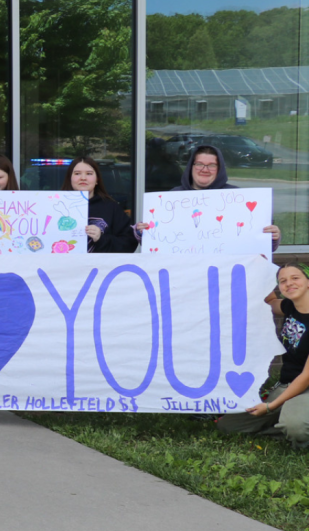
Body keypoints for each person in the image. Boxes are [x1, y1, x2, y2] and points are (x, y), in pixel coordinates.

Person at [218, 263, 309, 449]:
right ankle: (289, 420)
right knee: (228, 426)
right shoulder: (290, 306)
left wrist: (270, 406)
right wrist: (258, 265)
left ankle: (294, 426)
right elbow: (270, 303)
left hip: (305, 386)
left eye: (295, 278)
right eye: (282, 281)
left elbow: (306, 376)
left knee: (295, 429)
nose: (288, 283)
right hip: (287, 384)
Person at [134, 144, 281, 249]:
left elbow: (258, 242)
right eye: (199, 164)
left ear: (220, 169)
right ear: (191, 167)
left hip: (225, 276)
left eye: (212, 165)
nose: (205, 169)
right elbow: (158, 243)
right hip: (184, 277)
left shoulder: (238, 198)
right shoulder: (172, 197)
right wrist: (143, 232)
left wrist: (272, 237)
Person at [62, 156, 135, 253]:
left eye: (89, 174)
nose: (83, 178)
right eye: (77, 173)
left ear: (97, 180)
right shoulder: (57, 206)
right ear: (70, 178)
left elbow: (129, 244)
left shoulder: (110, 207)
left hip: (101, 267)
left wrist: (101, 239)